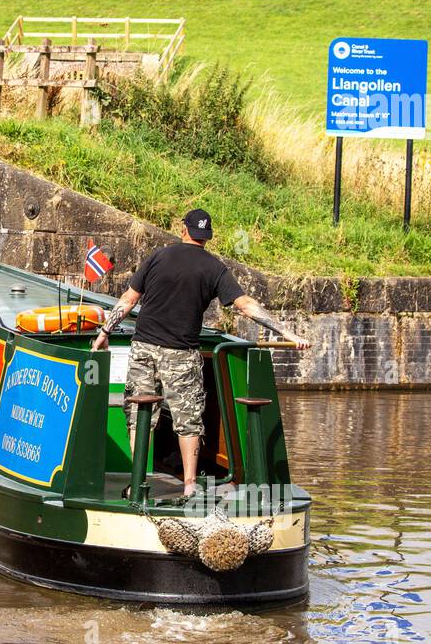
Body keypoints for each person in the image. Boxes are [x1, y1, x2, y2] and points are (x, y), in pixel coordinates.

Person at [91, 208, 311, 497]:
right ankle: (190, 487)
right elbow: (245, 305)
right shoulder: (214, 268)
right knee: (188, 420)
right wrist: (286, 332)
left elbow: (129, 300)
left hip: (144, 347)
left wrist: (105, 332)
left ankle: (138, 482)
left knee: (140, 414)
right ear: (206, 237)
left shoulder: (159, 256)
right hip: (181, 354)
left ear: (184, 230)